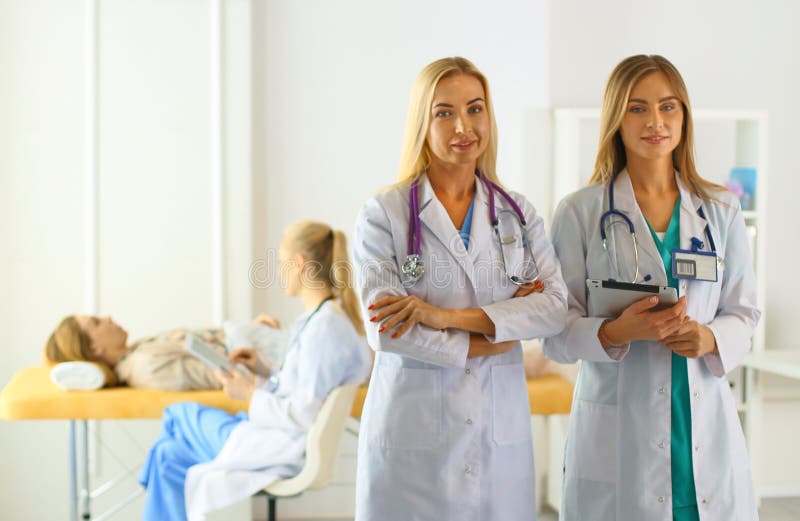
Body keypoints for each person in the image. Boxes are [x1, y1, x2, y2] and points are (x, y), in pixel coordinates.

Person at [543, 54, 760, 520]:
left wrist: (710, 338)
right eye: (637, 108)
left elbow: (744, 312)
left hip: (701, 430)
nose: (655, 121)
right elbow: (555, 333)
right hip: (621, 439)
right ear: (616, 119)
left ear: (684, 115)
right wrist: (616, 332)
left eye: (667, 106)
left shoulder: (720, 210)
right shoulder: (580, 212)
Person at [353, 56, 567, 520]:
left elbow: (553, 308)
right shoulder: (385, 214)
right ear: (422, 123)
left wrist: (442, 318)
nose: (463, 126)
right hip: (413, 439)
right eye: (444, 112)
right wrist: (493, 336)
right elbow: (385, 329)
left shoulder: (517, 214)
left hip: (496, 434)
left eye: (475, 109)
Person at [138, 221, 371, 521]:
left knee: (176, 415)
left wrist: (249, 394)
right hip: (273, 436)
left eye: (282, 262)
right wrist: (262, 370)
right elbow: (300, 390)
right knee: (166, 456)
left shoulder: (324, 330)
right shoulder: (324, 322)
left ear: (300, 264)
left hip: (282, 446)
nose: (279, 271)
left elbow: (305, 414)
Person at [44, 313, 283, 391]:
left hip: (262, 347)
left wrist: (251, 330)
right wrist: (248, 341)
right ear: (94, 349)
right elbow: (226, 375)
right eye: (97, 323)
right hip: (272, 367)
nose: (107, 318)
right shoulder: (147, 366)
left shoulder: (137, 351)